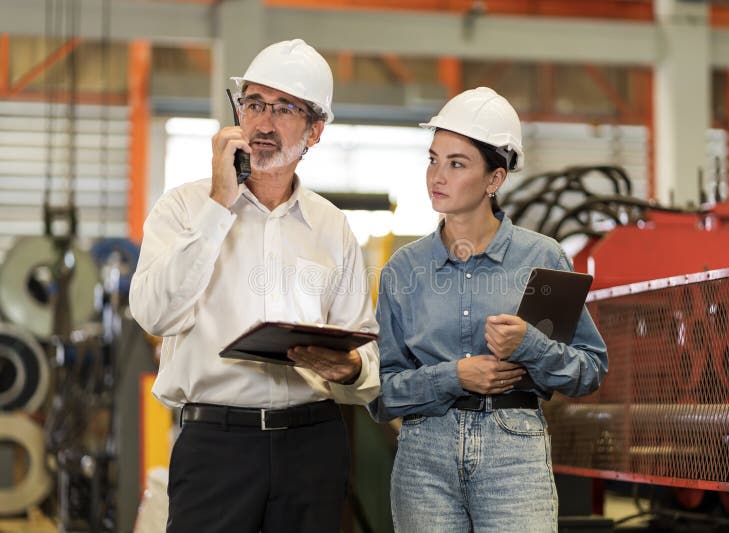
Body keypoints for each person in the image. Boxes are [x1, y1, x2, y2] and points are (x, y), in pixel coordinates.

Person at [129, 39, 379, 533]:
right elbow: (155, 314)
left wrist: (349, 369)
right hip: (216, 449)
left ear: (316, 131)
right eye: (254, 103)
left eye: (284, 108)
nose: (263, 122)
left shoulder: (332, 227)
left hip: (313, 448)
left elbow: (365, 348)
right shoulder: (182, 209)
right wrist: (219, 205)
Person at [368, 87, 608, 532]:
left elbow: (589, 371)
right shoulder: (405, 269)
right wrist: (454, 376)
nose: (436, 176)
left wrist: (531, 346)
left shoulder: (542, 259)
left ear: (494, 179)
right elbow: (381, 395)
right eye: (433, 159)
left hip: (513, 454)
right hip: (425, 458)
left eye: (456, 164)